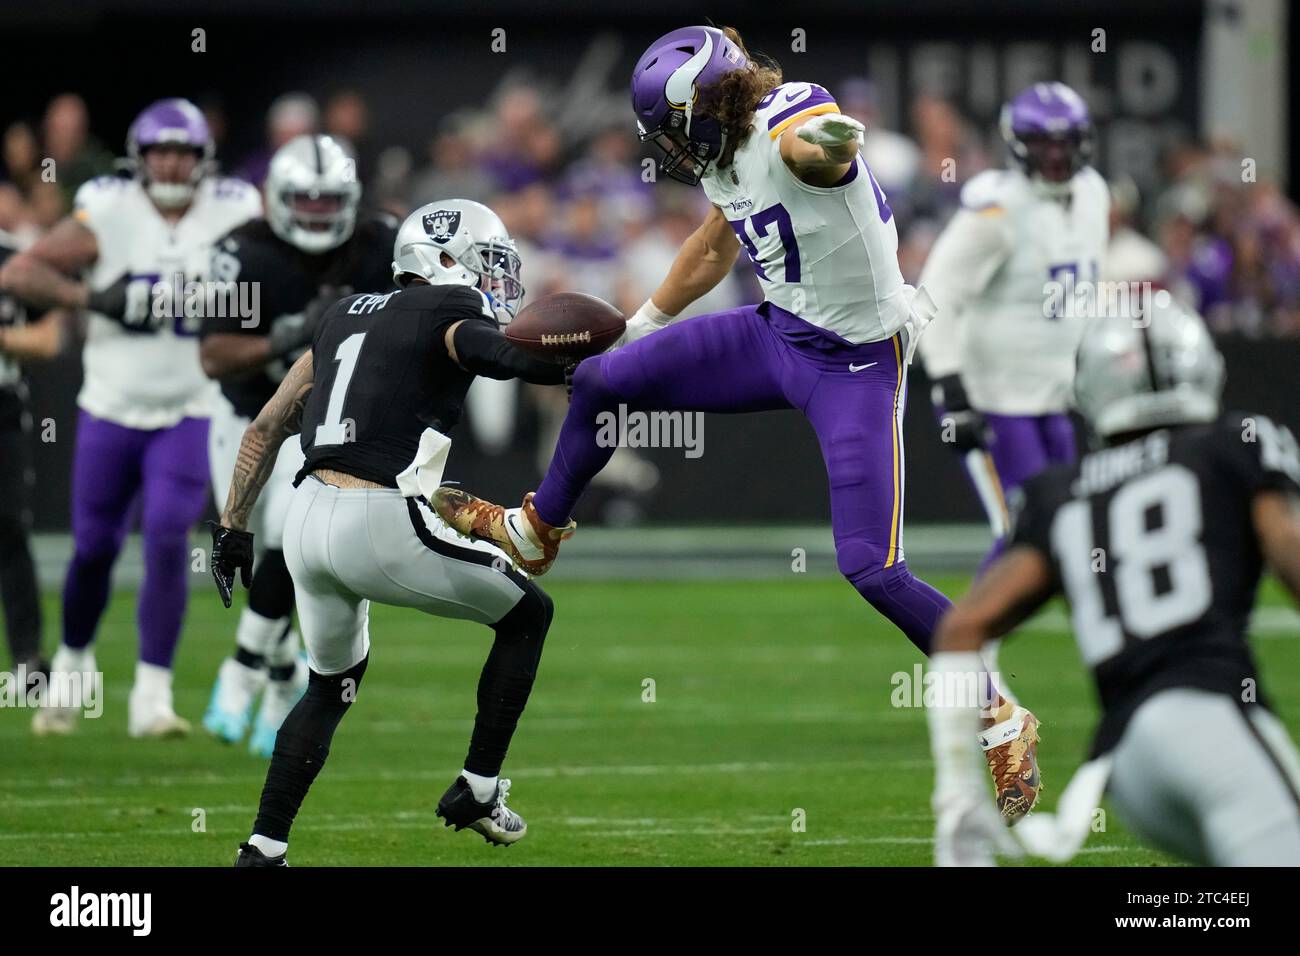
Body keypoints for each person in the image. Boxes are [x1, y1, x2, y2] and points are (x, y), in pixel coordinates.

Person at [434, 25, 1042, 820]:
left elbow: (821, 143)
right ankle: (535, 530)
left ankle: (999, 711)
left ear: (712, 105)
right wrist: (640, 328)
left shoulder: (790, 123)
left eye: (677, 132)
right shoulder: (727, 154)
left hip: (856, 362)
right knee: (601, 379)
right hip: (776, 332)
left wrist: (829, 143)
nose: (676, 151)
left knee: (871, 567)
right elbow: (714, 250)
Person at [207, 200, 567, 866]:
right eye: (488, 263)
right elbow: (503, 357)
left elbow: (265, 425)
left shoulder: (343, 314)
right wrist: (580, 358)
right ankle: (478, 788)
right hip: (374, 521)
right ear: (447, 261)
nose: (498, 280)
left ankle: (263, 847)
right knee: (528, 616)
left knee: (329, 685)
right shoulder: (445, 313)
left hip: (304, 522)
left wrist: (232, 528)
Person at [926, 300, 1300, 866]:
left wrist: (959, 788)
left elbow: (960, 629)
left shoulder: (1062, 490)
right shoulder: (1234, 446)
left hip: (1125, 770)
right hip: (1210, 722)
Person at [0, 98, 261, 737]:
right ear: (139, 159)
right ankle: (71, 668)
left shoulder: (236, 209)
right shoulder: (110, 208)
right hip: (112, 404)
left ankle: (152, 695)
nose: (171, 163)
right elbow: (22, 272)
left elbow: (271, 277)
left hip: (192, 403)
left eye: (183, 151)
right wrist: (95, 297)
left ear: (203, 159)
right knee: (93, 549)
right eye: (160, 151)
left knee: (170, 538)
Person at [199, 133, 397, 757]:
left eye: (327, 200)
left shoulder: (378, 245)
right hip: (243, 418)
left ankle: (243, 664)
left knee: (290, 536)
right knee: (249, 550)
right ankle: (284, 672)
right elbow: (213, 355)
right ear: (279, 199)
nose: (316, 212)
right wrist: (279, 337)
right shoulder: (244, 252)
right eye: (304, 200)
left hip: (317, 424)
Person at [918, 82, 1109, 576]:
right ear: (1017, 143)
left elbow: (1082, 298)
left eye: (1065, 141)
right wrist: (952, 389)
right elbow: (934, 298)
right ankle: (962, 648)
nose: (1055, 154)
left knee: (1067, 528)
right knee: (1025, 530)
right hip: (994, 399)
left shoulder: (1094, 194)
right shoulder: (996, 211)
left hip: (1053, 397)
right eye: (1042, 141)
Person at [0, 230, 63, 687]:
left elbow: (47, 340)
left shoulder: (17, 260)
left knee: (9, 529)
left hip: (3, 409)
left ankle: (26, 656)